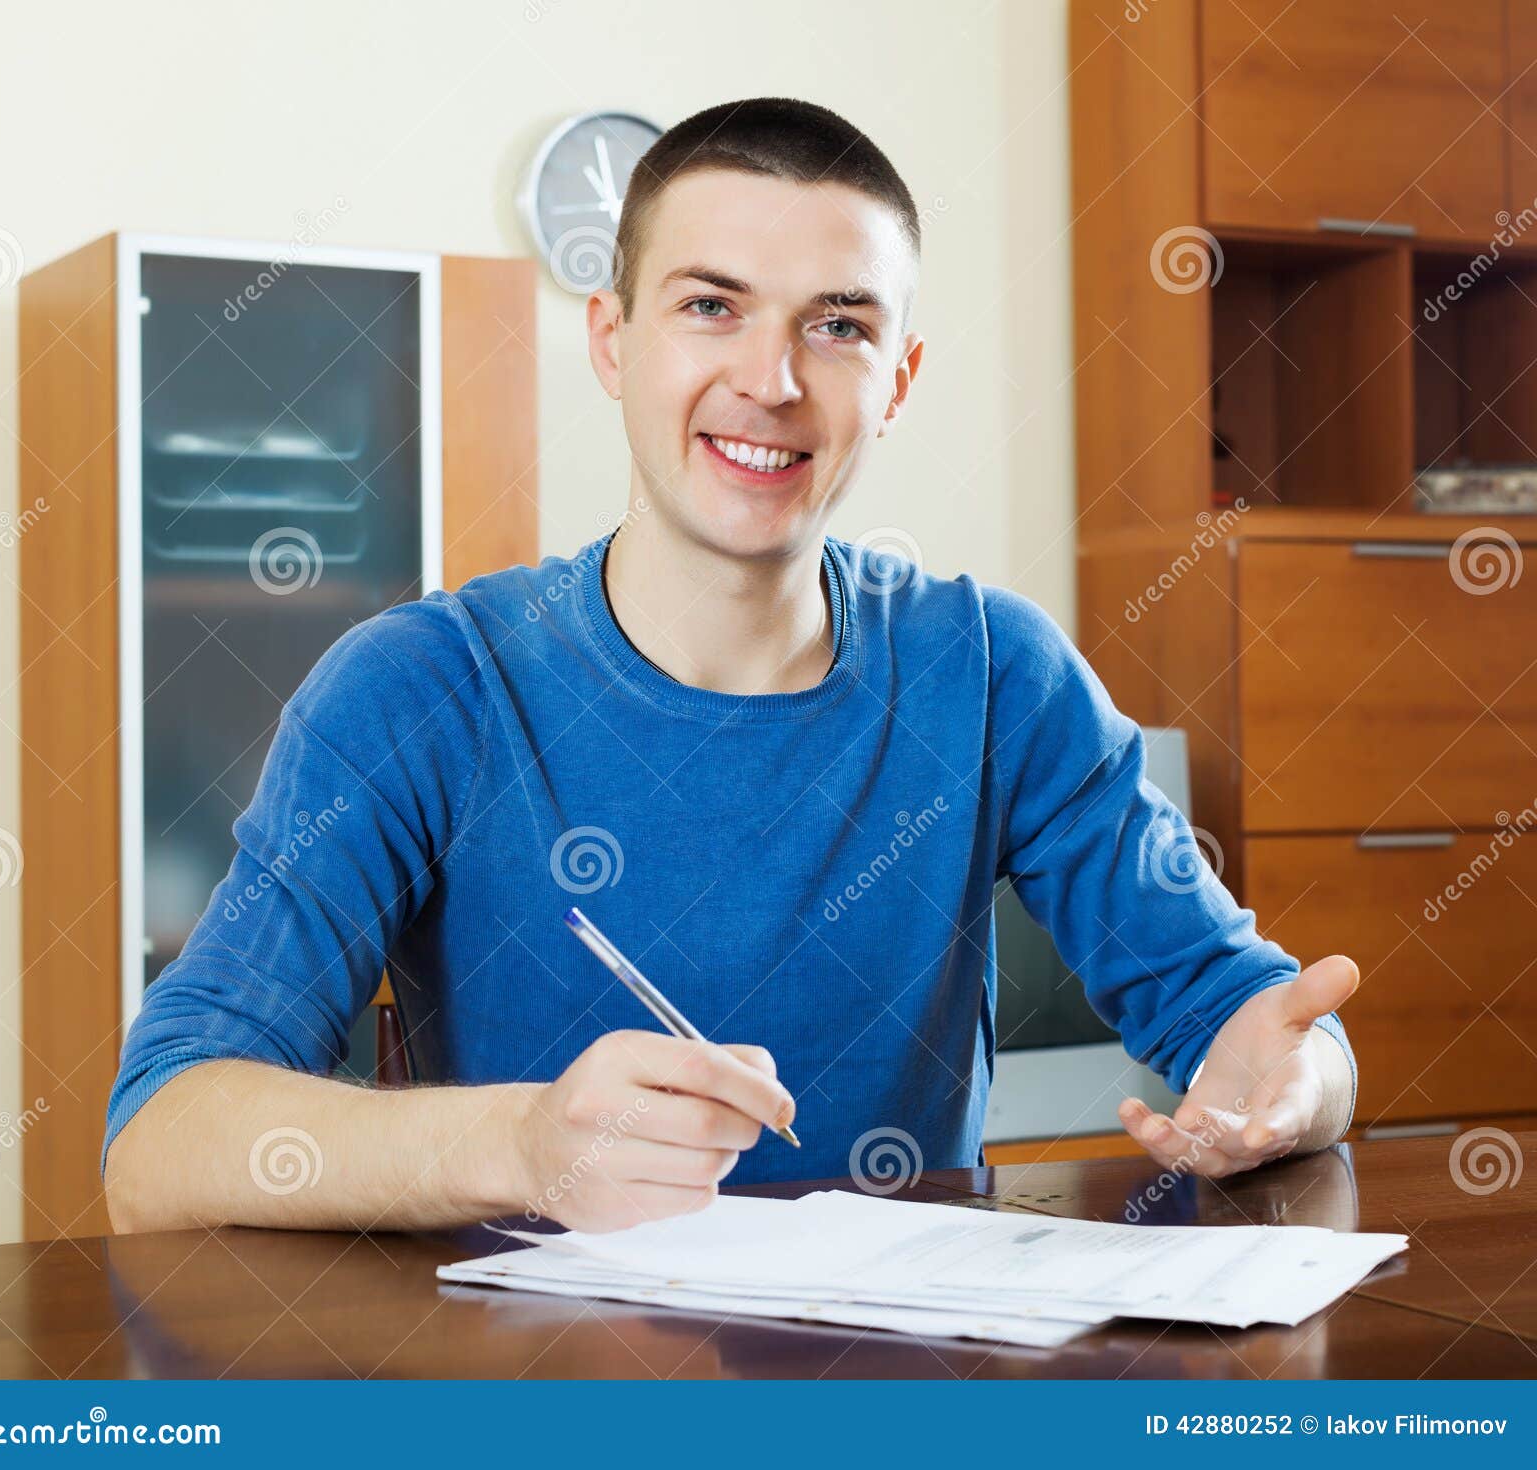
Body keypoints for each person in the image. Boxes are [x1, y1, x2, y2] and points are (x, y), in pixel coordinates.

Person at [104, 97, 1358, 1236]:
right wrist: (517, 1144)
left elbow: (1249, 1016)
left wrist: (1300, 1085)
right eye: (712, 306)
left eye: (838, 326)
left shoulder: (992, 669)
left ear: (898, 381)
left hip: (897, 1386)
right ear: (612, 339)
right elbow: (160, 1141)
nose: (770, 381)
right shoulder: (418, 687)